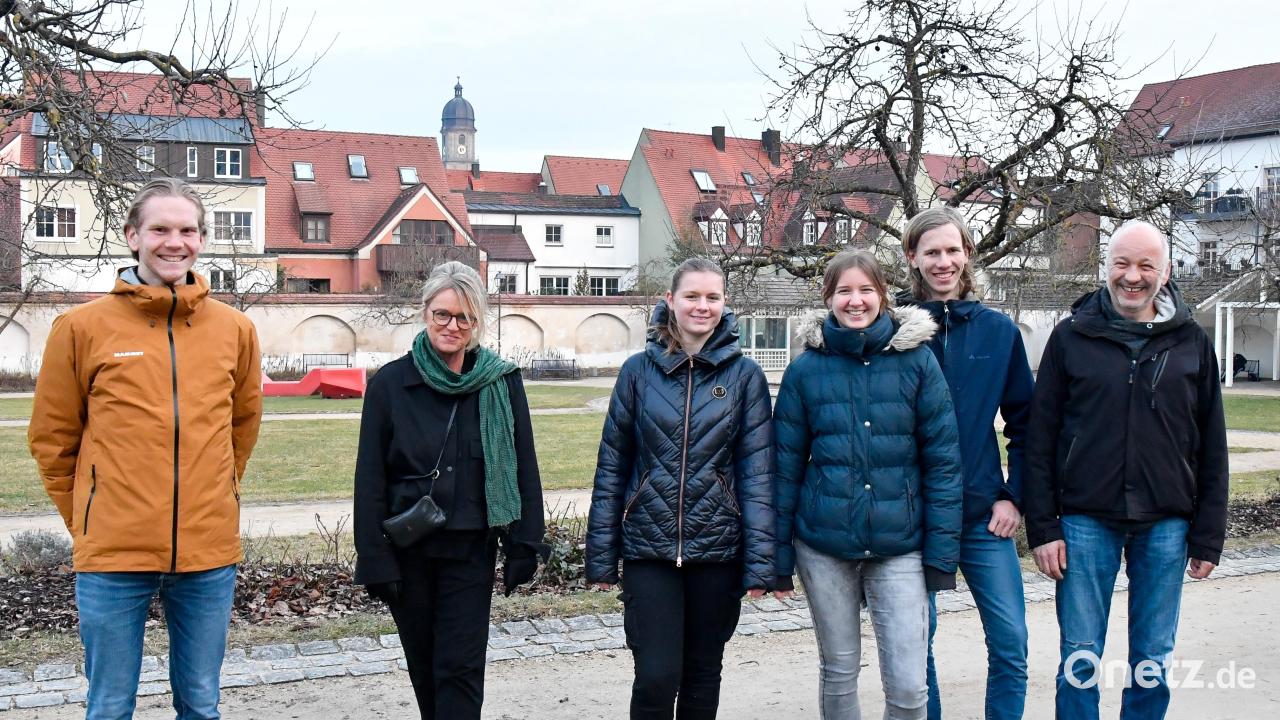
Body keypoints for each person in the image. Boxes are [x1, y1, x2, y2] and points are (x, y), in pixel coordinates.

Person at [28, 177, 263, 719]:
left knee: (201, 704)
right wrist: (90, 517)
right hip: (113, 553)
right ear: (133, 235)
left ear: (202, 239)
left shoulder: (235, 329)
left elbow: (242, 427)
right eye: (159, 229)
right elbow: (52, 439)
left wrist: (217, 493)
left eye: (186, 230)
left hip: (207, 554)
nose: (173, 241)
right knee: (109, 705)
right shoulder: (81, 327)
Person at [1024, 220, 1229, 718]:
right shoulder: (1070, 337)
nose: (1132, 276)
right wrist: (1044, 528)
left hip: (1167, 521)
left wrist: (1208, 536)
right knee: (1080, 655)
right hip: (1083, 520)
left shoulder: (1192, 343)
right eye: (1122, 264)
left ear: (1166, 272)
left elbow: (1212, 444)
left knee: (1153, 658)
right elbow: (1039, 439)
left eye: (1145, 266)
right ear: (1105, 267)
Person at [353, 260, 547, 720]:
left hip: (470, 548)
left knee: (459, 669)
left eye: (464, 317)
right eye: (443, 314)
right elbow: (370, 479)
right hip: (408, 553)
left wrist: (526, 543)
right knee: (425, 670)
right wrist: (375, 559)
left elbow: (524, 466)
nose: (452, 325)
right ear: (425, 313)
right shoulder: (390, 385)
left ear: (477, 322)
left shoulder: (500, 383)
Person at [774, 249, 962, 720]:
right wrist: (777, 558)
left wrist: (940, 556)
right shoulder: (805, 371)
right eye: (844, 291)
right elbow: (785, 467)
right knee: (838, 671)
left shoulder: (918, 363)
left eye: (865, 290)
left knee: (908, 686)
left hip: (901, 545)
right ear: (828, 297)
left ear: (882, 295)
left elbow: (942, 463)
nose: (855, 301)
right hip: (824, 544)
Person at [586, 257, 776, 720]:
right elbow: (612, 466)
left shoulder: (744, 376)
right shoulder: (637, 372)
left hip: (718, 549)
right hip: (650, 550)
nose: (702, 306)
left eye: (713, 297)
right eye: (692, 296)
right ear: (669, 300)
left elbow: (757, 474)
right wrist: (600, 557)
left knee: (701, 673)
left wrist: (761, 565)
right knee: (655, 675)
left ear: (725, 303)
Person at [896, 207, 1033, 719]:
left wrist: (1013, 495)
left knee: (1011, 641)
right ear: (912, 256)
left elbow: (1027, 424)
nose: (943, 261)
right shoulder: (893, 332)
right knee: (916, 646)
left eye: (952, 250)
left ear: (967, 254)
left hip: (982, 515)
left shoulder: (999, 332)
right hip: (912, 518)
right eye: (931, 252)